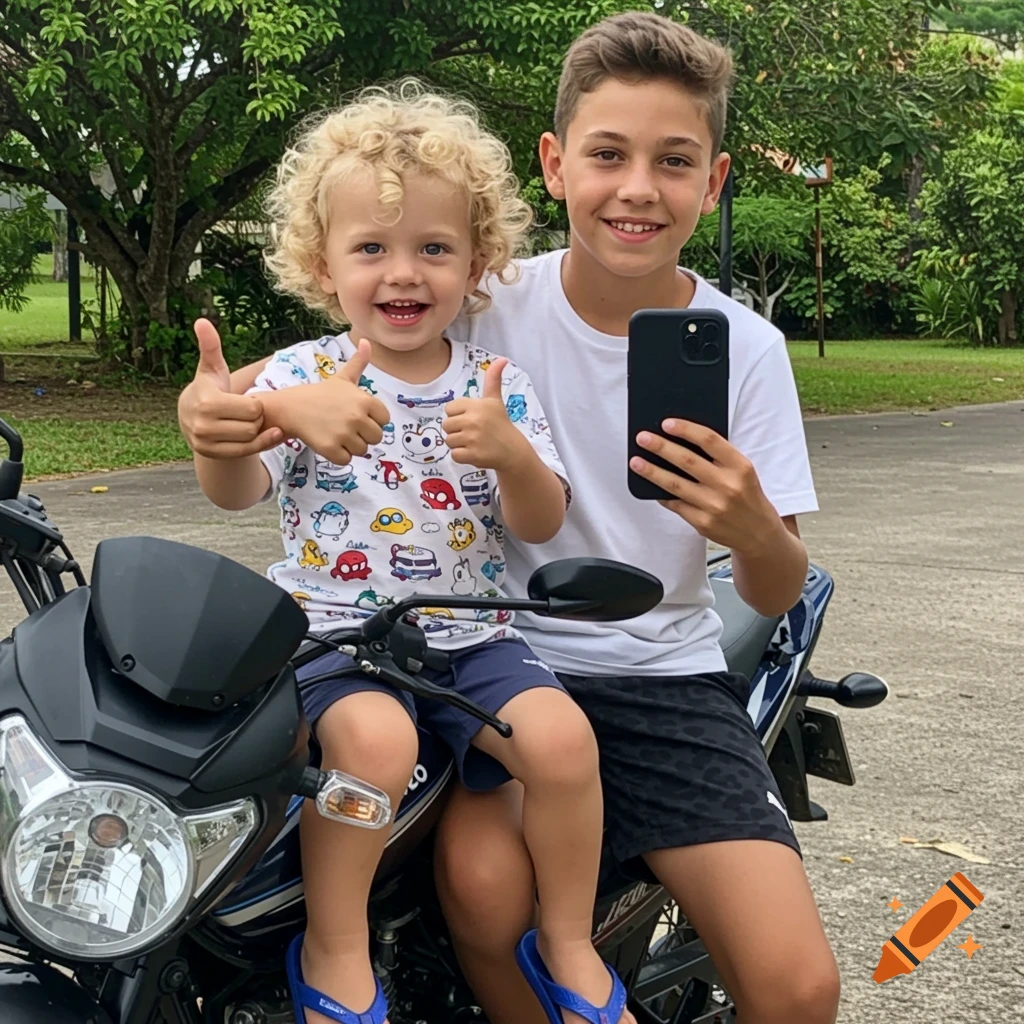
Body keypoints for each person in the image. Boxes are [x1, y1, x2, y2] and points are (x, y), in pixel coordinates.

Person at [178, 13, 839, 1024]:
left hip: (661, 676)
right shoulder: (469, 288)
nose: (635, 189)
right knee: (485, 901)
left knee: (798, 991)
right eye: (606, 153)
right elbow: (290, 377)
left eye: (674, 162)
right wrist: (223, 415)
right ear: (555, 163)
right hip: (484, 648)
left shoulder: (743, 348)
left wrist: (752, 526)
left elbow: (775, 585)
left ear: (711, 181)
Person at [184, 84, 634, 1024]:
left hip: (473, 636)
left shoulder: (495, 384)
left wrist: (511, 454)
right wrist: (239, 426)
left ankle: (566, 938)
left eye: (434, 248)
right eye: (372, 249)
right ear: (324, 264)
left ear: (477, 264)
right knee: (374, 746)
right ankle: (337, 944)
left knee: (562, 742)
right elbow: (233, 495)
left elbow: (542, 523)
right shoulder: (305, 376)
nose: (405, 273)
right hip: (336, 639)